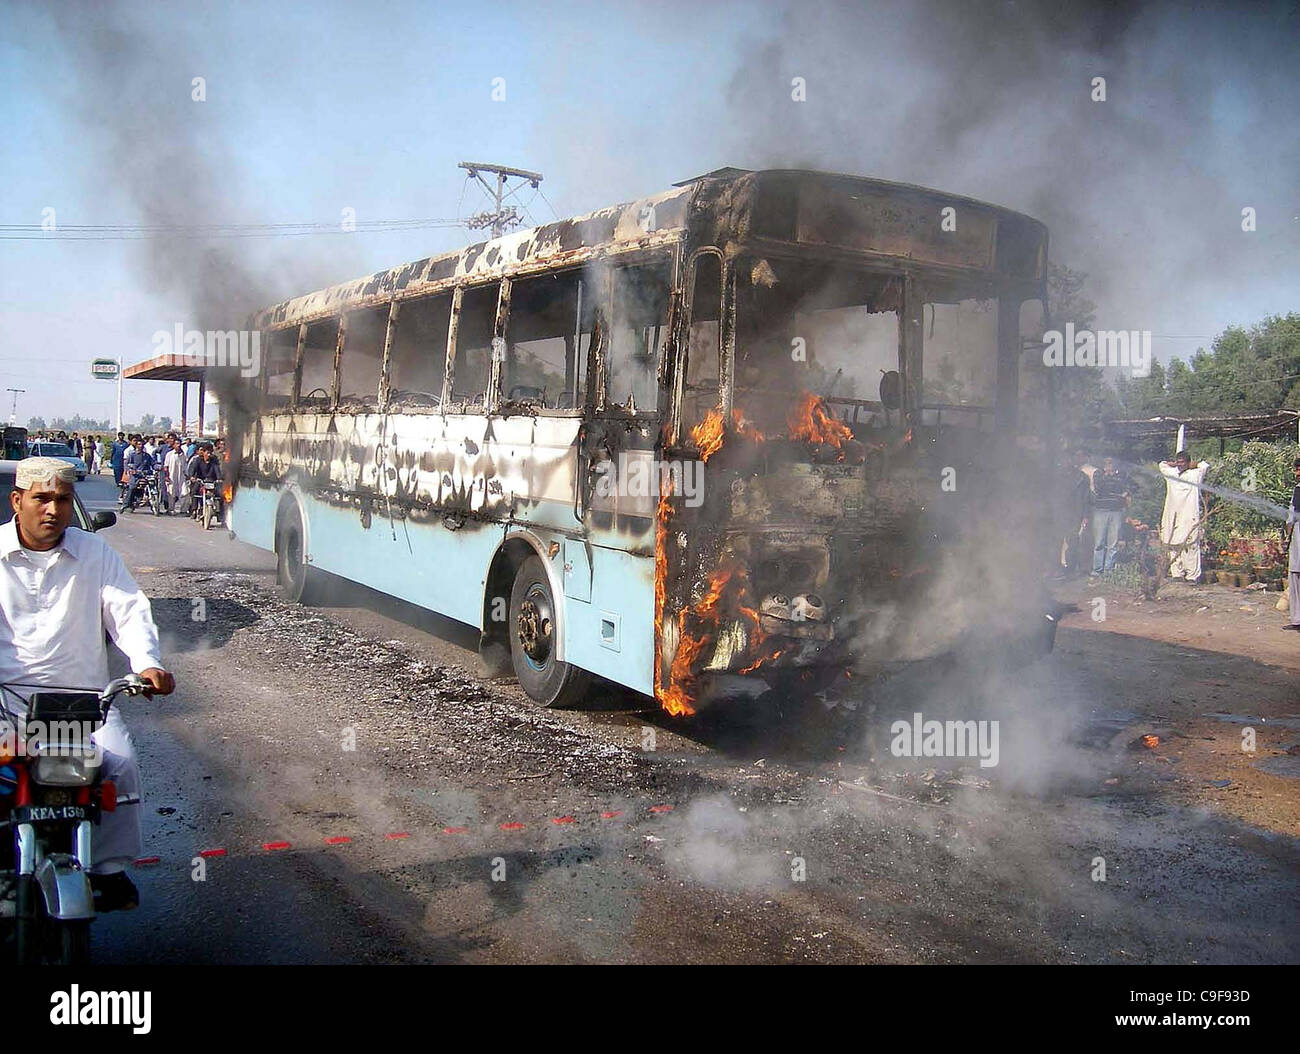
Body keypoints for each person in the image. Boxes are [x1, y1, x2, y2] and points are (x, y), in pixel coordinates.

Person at [0, 457, 174, 910]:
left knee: (122, 766)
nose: (52, 510)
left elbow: (129, 610)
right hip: (6, 706)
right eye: (41, 499)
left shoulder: (95, 553)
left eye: (61, 499)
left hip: (82, 706)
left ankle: (110, 870)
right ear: (17, 501)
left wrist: (147, 663)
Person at [1159, 449, 1210, 582]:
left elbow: (1204, 465)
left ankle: (1192, 576)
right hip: (1172, 514)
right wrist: (1174, 464)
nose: (1180, 465)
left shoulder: (1194, 475)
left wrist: (1194, 464)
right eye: (1178, 462)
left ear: (1188, 463)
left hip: (1189, 514)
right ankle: (1177, 573)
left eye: (1183, 462)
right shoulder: (1171, 473)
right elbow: (1162, 464)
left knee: (1190, 544)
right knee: (1173, 544)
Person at [1091, 457, 1130, 576]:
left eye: (1111, 463)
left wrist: (1113, 480)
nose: (1110, 465)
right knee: (1099, 542)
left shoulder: (1121, 475)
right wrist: (1107, 476)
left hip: (1116, 511)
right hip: (1101, 511)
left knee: (1113, 543)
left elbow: (1124, 489)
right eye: (1107, 463)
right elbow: (1098, 488)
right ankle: (1097, 570)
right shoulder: (1098, 474)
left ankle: (1109, 570)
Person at [120, 436, 156, 512]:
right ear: (136, 445)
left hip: (145, 475)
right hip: (135, 476)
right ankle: (125, 504)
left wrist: (159, 467)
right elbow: (127, 464)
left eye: (142, 444)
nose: (141, 446)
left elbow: (153, 464)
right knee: (132, 488)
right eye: (139, 444)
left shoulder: (147, 456)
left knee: (152, 485)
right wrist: (130, 470)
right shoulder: (132, 455)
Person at [187, 442, 221, 520]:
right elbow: (193, 469)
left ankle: (219, 513)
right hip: (200, 480)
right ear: (204, 452)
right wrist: (192, 477)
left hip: (211, 481)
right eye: (207, 452)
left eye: (210, 453)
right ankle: (194, 510)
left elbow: (217, 470)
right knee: (194, 492)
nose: (209, 455)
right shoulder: (197, 460)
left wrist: (219, 478)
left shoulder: (214, 460)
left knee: (219, 494)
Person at [1285, 458, 1300, 630]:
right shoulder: (1297, 490)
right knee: (1295, 576)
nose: (1297, 473)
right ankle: (1297, 620)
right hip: (1296, 539)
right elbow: (1291, 516)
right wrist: (1287, 538)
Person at [163, 436, 186, 514]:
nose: (178, 445)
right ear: (173, 445)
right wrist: (166, 476)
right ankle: (171, 509)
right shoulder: (169, 454)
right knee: (171, 493)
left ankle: (183, 510)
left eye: (179, 444)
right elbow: (166, 466)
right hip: (171, 477)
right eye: (176, 444)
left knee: (184, 492)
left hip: (181, 477)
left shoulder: (183, 455)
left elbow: (185, 466)